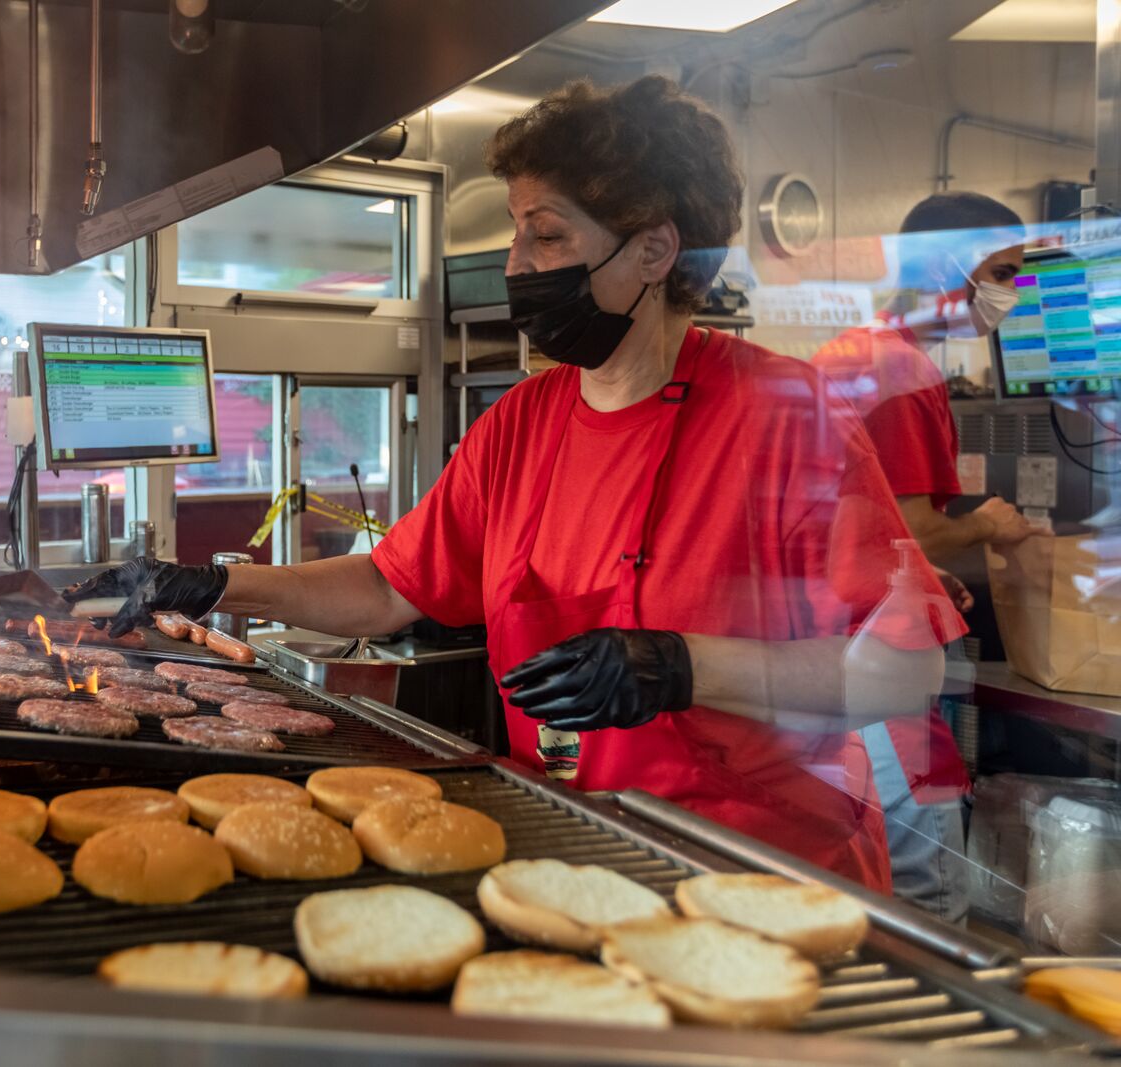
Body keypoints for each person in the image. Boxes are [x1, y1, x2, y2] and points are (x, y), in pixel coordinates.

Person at [70, 76, 964, 891]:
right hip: (581, 850)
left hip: (765, 871)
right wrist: (210, 583)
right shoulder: (524, 424)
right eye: (516, 231)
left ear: (654, 249)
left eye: (549, 235)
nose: (518, 264)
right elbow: (389, 585)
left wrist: (680, 666)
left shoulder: (785, 415)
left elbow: (903, 670)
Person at [810, 192, 1046, 921]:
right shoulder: (904, 372)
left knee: (862, 885)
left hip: (823, 668)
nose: (1014, 290)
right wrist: (988, 524)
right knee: (927, 896)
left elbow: (857, 526)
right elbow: (917, 521)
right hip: (879, 674)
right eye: (1003, 271)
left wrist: (916, 567)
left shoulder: (854, 352)